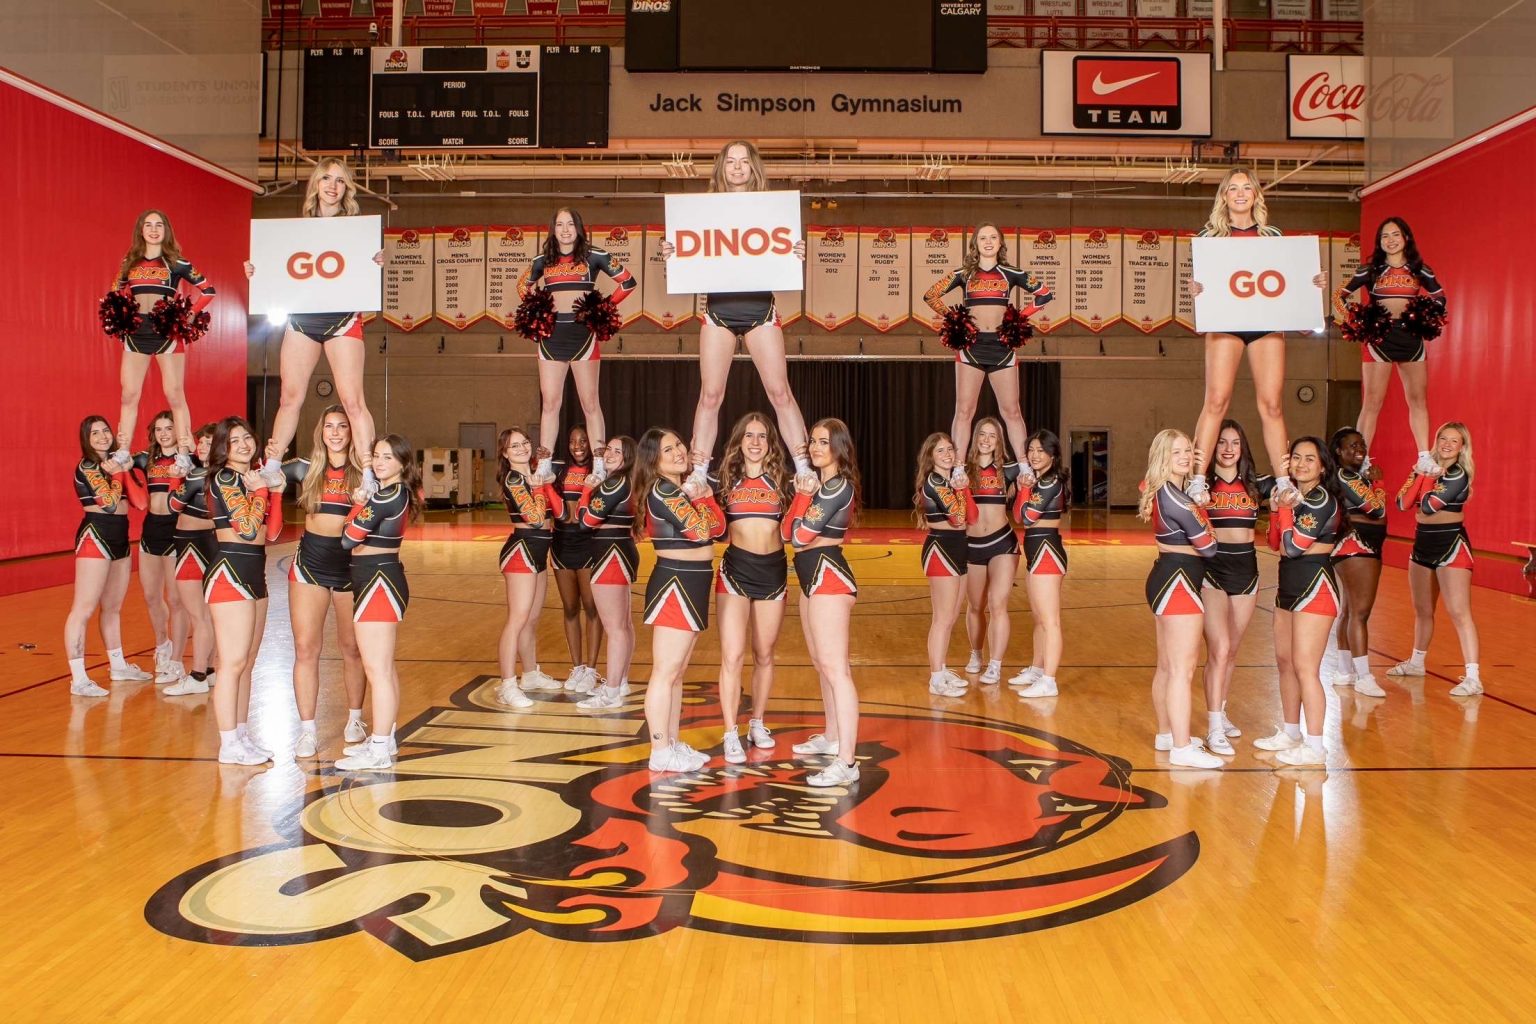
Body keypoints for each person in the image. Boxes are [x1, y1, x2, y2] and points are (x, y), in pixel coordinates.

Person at [658, 141, 816, 493]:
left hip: (761, 310)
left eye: (744, 161)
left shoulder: (773, 210)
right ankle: (699, 471)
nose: (738, 167)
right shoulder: (702, 211)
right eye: (731, 161)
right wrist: (672, 254)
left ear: (753, 166)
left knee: (780, 392)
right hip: (718, 312)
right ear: (722, 167)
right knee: (710, 395)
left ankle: (804, 467)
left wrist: (795, 251)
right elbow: (686, 262)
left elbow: (782, 252)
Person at [1185, 168, 1327, 505]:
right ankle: (1197, 480)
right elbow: (1204, 282)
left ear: (1255, 196)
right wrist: (1196, 289)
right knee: (1216, 400)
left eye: (1246, 188)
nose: (1240, 193)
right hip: (1226, 321)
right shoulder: (1209, 237)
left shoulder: (1272, 234)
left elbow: (1290, 276)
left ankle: (1283, 481)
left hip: (1266, 321)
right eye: (1233, 188)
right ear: (1224, 196)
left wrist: (1312, 283)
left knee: (1272, 404)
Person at [250, 159, 383, 490]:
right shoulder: (295, 231)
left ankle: (369, 474)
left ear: (346, 188)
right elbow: (275, 267)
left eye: (340, 180)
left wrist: (378, 261)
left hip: (343, 319)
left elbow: (367, 270)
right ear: (316, 185)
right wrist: (257, 270)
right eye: (326, 178)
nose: (332, 186)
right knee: (289, 397)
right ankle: (273, 466)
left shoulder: (358, 229)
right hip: (301, 319)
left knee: (353, 401)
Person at [517, 208, 635, 483]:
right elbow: (522, 287)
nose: (565, 229)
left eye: (570, 224)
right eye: (560, 224)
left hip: (583, 337)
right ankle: (544, 464)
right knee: (550, 402)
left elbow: (628, 282)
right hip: (551, 337)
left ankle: (599, 465)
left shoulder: (596, 256)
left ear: (579, 227)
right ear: (553, 229)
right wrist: (537, 306)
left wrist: (602, 307)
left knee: (590, 402)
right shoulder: (542, 260)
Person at [636, 427, 726, 773]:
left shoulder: (678, 489)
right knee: (665, 671)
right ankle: (659, 749)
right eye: (667, 450)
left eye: (678, 445)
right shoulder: (663, 489)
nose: (678, 452)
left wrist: (704, 496)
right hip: (676, 581)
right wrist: (700, 497)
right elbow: (700, 532)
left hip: (693, 581)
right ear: (653, 460)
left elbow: (718, 528)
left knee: (677, 673)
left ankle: (671, 743)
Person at [923, 221, 1052, 461]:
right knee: (964, 411)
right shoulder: (963, 274)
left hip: (1002, 346)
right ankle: (958, 468)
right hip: (971, 346)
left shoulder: (1012, 273)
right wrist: (955, 318)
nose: (988, 242)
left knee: (1012, 411)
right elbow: (931, 295)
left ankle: (1024, 467)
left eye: (993, 237)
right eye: (983, 238)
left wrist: (1019, 317)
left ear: (1001, 243)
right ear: (975, 244)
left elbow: (1044, 294)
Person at [1253, 437, 1347, 767]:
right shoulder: (1296, 496)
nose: (1302, 464)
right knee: (1285, 663)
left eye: (1310, 459)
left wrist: (1284, 509)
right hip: (1289, 586)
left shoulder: (1321, 499)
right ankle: (1291, 732)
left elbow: (1293, 547)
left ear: (1322, 467)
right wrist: (1276, 508)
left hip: (1314, 586)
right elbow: (1275, 543)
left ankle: (1316, 746)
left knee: (1306, 668)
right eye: (1296, 458)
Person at [283, 407, 368, 758]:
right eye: (329, 426)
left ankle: (355, 719)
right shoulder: (303, 468)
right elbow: (258, 477)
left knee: (352, 648)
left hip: (351, 564)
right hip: (311, 564)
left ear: (352, 431)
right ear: (320, 432)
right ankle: (307, 730)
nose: (335, 432)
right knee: (306, 648)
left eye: (342, 426)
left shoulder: (365, 472)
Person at [334, 435, 422, 771]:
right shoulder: (393, 493)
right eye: (377, 456)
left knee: (377, 670)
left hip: (378, 580)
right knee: (383, 668)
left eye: (388, 457)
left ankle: (381, 748)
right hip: (376, 577)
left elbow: (347, 539)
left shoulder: (387, 494)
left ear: (403, 462)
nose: (380, 462)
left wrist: (358, 504)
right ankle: (385, 739)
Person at [1334, 217, 1447, 472]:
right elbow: (1340, 295)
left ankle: (1423, 456)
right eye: (1385, 236)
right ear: (1379, 241)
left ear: (1406, 238)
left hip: (1410, 336)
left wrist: (1428, 315)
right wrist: (1354, 319)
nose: (1390, 240)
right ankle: (1360, 459)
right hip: (1379, 338)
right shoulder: (1370, 269)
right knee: (1372, 401)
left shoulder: (1420, 269)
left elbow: (1440, 296)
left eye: (1395, 234)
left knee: (1417, 399)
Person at [785, 419, 863, 787]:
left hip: (828, 577)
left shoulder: (837, 486)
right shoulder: (821, 485)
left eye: (824, 442)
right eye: (813, 441)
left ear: (839, 448)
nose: (816, 448)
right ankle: (832, 737)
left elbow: (799, 535)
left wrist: (802, 497)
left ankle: (847, 762)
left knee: (836, 670)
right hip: (811, 577)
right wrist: (803, 496)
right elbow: (787, 532)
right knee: (822, 665)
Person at [1138, 429, 1222, 769]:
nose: (1185, 457)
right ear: (1163, 457)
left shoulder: (1168, 492)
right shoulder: (1179, 499)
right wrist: (1202, 510)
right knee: (1181, 671)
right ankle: (1182, 747)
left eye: (1188, 450)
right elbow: (1210, 547)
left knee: (1167, 667)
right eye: (1176, 452)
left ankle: (1167, 734)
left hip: (1168, 577)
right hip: (1179, 582)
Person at [203, 417, 284, 765]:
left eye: (247, 437)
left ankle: (241, 735)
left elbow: (272, 533)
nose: (243, 444)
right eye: (234, 440)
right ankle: (228, 744)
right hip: (231, 574)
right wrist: (262, 491)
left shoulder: (250, 478)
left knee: (247, 662)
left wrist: (275, 492)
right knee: (232, 663)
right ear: (222, 447)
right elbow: (248, 529)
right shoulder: (225, 478)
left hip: (255, 573)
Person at [110, 209, 215, 468]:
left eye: (159, 225)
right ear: (141, 230)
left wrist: (191, 313)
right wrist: (121, 312)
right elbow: (114, 291)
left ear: (166, 230)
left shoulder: (177, 262)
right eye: (148, 225)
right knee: (129, 394)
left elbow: (208, 290)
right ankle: (123, 450)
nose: (154, 230)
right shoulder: (130, 262)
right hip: (137, 332)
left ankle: (183, 453)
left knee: (174, 393)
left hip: (167, 332)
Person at [714, 413, 791, 760]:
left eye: (762, 436)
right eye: (749, 435)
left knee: (764, 654)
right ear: (739, 441)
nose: (756, 442)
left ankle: (757, 722)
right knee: (732, 655)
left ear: (770, 442)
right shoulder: (724, 480)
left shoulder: (784, 482)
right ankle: (730, 731)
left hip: (773, 572)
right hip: (735, 571)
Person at [1196, 420, 1274, 753]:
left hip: (1247, 570)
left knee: (1231, 652)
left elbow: (1301, 482)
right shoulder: (1200, 483)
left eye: (1235, 443)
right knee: (1219, 649)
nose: (1228, 449)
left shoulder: (1258, 483)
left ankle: (1222, 710)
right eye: (1222, 442)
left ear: (1243, 448)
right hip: (1211, 570)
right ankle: (1214, 728)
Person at [1387, 422, 1482, 696]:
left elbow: (1428, 506)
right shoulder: (1425, 466)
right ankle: (1417, 663)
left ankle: (1473, 677)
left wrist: (1424, 477)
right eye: (1443, 438)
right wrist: (1422, 473)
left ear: (1462, 447)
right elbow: (1402, 503)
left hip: (1451, 544)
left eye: (1454, 441)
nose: (1447, 444)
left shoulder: (1458, 473)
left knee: (1459, 612)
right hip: (1422, 544)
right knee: (1423, 609)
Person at [63, 416, 150, 696]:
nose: (102, 436)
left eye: (105, 431)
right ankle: (79, 679)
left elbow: (141, 502)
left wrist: (123, 469)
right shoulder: (88, 466)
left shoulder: (117, 462)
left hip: (120, 536)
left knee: (113, 608)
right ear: (86, 439)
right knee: (83, 608)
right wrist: (117, 472)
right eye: (95, 433)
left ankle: (118, 666)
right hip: (96, 534)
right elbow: (110, 503)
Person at [492, 427, 564, 710]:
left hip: (539, 550)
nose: (522, 448)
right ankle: (508, 685)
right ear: (504, 453)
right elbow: (534, 519)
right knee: (517, 620)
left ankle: (531, 674)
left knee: (531, 620)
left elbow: (559, 513)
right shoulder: (513, 478)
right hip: (522, 550)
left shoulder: (533, 476)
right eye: (514, 446)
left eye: (525, 443)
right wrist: (538, 487)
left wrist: (545, 483)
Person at [572, 436, 640, 711]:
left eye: (617, 451)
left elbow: (585, 521)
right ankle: (620, 682)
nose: (610, 454)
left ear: (628, 457)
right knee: (623, 625)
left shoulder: (614, 483)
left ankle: (611, 692)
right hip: (619, 549)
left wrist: (587, 490)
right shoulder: (626, 481)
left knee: (615, 628)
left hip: (610, 553)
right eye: (608, 449)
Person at [1329, 428, 1389, 698]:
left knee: (1350, 610)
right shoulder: (1345, 475)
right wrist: (1379, 483)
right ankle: (1364, 676)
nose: (1359, 449)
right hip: (1358, 544)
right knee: (1360, 613)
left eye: (1361, 444)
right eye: (1352, 446)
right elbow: (1376, 509)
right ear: (1338, 451)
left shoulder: (1353, 476)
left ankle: (1344, 671)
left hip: (1360, 544)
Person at [1011, 429, 1070, 699]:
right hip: (1036, 550)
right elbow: (1017, 514)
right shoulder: (1038, 480)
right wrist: (1024, 489)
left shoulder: (1050, 481)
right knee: (1038, 618)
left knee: (1050, 621)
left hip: (1047, 551)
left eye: (1041, 450)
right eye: (1031, 450)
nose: (1035, 455)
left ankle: (1049, 680)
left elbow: (1027, 517)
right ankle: (1037, 669)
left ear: (1053, 455)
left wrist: (1023, 489)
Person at [962, 417, 1021, 685]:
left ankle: (995, 664)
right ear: (974, 437)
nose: (986, 440)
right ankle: (976, 654)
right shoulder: (962, 470)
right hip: (972, 546)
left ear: (999, 441)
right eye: (982, 434)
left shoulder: (1009, 470)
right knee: (975, 606)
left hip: (1002, 543)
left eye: (992, 435)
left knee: (998, 604)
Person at [132, 411, 188, 686]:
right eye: (159, 429)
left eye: (169, 428)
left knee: (177, 600)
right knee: (152, 595)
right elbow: (117, 462)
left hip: (177, 531)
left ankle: (176, 661)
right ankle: (162, 646)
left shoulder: (187, 460)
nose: (164, 433)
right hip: (151, 530)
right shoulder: (146, 459)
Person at [914, 432, 971, 698]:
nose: (947, 454)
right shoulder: (935, 481)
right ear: (930, 457)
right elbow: (958, 517)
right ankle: (936, 678)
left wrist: (962, 488)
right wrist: (961, 489)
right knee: (942, 619)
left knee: (950, 617)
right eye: (940, 451)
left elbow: (969, 517)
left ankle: (942, 668)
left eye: (950, 449)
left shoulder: (948, 481)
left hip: (958, 546)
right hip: (941, 549)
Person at [163, 425, 218, 695]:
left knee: (199, 615)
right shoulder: (223, 474)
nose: (203, 447)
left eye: (209, 443)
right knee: (207, 614)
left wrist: (175, 479)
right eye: (202, 442)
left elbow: (172, 505)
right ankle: (208, 670)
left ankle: (196, 676)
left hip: (192, 544)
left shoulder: (199, 474)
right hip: (211, 543)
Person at [550, 425, 603, 693]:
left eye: (583, 441)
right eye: (573, 441)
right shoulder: (558, 470)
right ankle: (577, 667)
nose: (578, 446)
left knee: (592, 607)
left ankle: (591, 670)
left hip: (588, 541)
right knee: (570, 608)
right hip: (561, 542)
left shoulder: (599, 471)